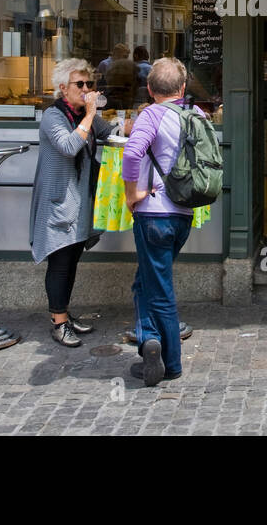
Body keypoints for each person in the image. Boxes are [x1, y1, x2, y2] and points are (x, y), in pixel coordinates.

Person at [122, 57, 199, 385]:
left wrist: (131, 195)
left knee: (160, 287)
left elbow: (131, 153)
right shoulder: (197, 115)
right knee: (146, 282)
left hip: (153, 215)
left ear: (150, 89)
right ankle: (148, 339)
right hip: (183, 215)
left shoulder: (150, 114)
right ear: (182, 89)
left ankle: (170, 361)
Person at [30, 58, 115, 347]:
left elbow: (110, 132)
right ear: (63, 88)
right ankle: (58, 321)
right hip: (58, 201)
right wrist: (90, 115)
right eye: (79, 84)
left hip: (79, 201)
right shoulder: (54, 116)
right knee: (60, 261)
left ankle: (64, 314)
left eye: (89, 84)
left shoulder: (83, 114)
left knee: (73, 260)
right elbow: (68, 146)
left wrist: (135, 124)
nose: (86, 89)